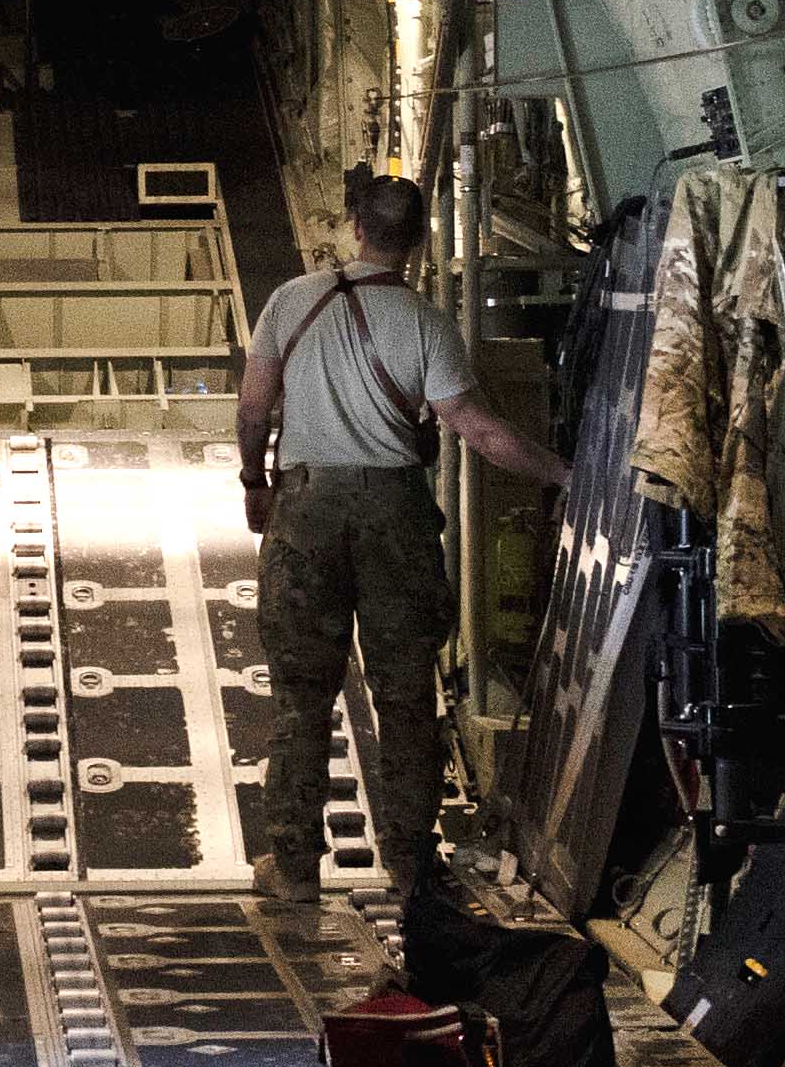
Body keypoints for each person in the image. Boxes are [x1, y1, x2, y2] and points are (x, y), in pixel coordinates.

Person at [236, 170, 567, 915]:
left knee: (300, 698)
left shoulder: (291, 301)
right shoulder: (425, 323)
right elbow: (478, 431)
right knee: (406, 698)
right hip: (395, 514)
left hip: (306, 507)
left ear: (355, 226)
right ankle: (411, 870)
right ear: (417, 241)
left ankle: (293, 865)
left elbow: (254, 408)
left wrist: (255, 483)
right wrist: (562, 472)